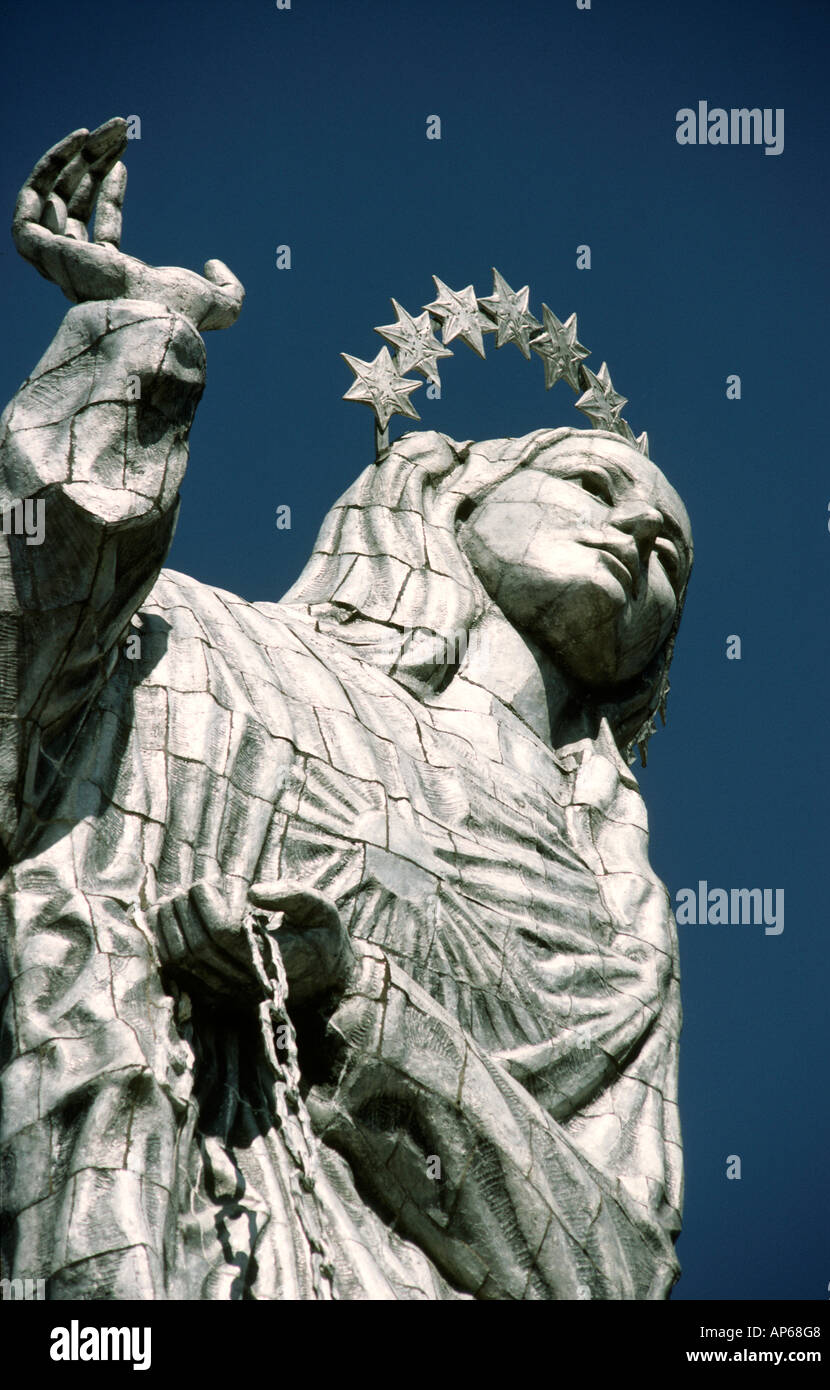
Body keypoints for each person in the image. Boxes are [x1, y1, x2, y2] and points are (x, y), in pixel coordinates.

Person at [0, 120, 692, 1300]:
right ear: (451, 489)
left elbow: (615, 1273)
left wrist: (354, 999)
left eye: (672, 554)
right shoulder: (199, 644)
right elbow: (25, 647)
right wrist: (141, 337)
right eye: (592, 483)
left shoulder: (624, 927)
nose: (640, 534)